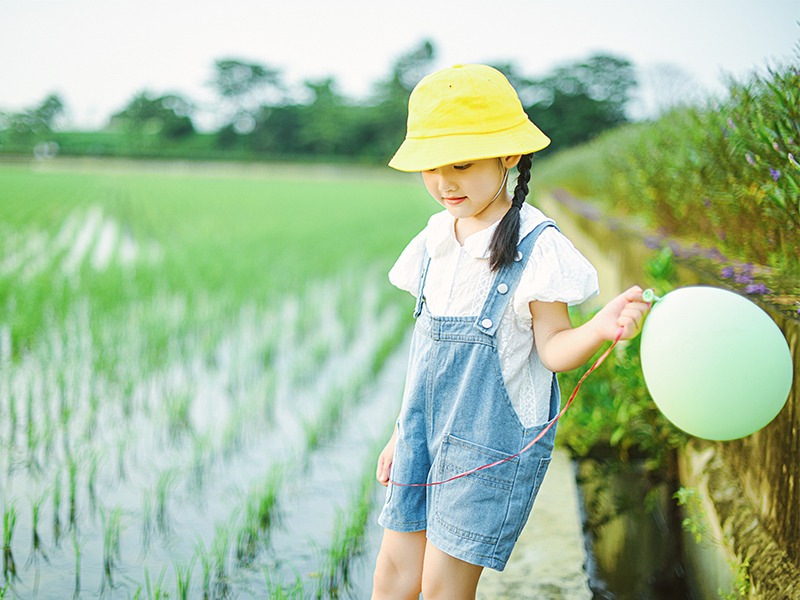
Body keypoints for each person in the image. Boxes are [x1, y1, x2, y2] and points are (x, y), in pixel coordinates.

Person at [371, 64, 650, 600]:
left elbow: (552, 350)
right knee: (394, 575)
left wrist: (598, 328)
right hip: (421, 436)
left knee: (441, 589)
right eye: (431, 167)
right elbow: (424, 364)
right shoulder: (435, 238)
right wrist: (399, 433)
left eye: (460, 164)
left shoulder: (536, 246)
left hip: (485, 448)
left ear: (509, 156)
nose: (443, 182)